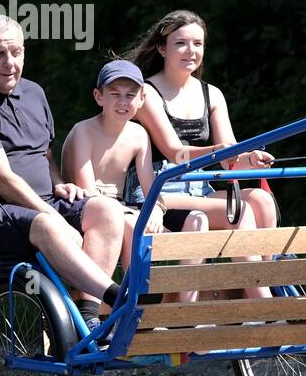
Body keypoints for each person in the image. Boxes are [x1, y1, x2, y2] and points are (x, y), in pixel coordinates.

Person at [0, 14, 130, 333]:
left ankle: (89, 317)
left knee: (106, 209)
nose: (10, 62)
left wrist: (58, 184)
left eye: (17, 52)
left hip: (39, 204)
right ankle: (116, 295)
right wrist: (51, 216)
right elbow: (1, 179)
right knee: (44, 224)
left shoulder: (35, 94)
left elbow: (44, 154)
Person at [126, 10, 277, 299]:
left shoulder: (212, 94)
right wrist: (217, 151)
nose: (191, 51)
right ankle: (264, 308)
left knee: (261, 200)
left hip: (199, 189)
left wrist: (251, 158)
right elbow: (174, 151)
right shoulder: (147, 93)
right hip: (158, 190)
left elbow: (229, 157)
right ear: (161, 48)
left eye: (198, 44)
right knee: (241, 212)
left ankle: (257, 290)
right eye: (181, 43)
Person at [60, 59, 209, 298]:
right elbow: (87, 191)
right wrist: (136, 214)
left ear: (142, 98)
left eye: (130, 95)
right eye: (114, 94)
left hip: (122, 207)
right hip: (85, 211)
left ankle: (185, 307)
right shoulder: (83, 131)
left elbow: (150, 186)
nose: (123, 102)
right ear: (99, 97)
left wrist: (157, 209)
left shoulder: (139, 134)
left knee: (194, 222)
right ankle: (135, 296)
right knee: (133, 224)